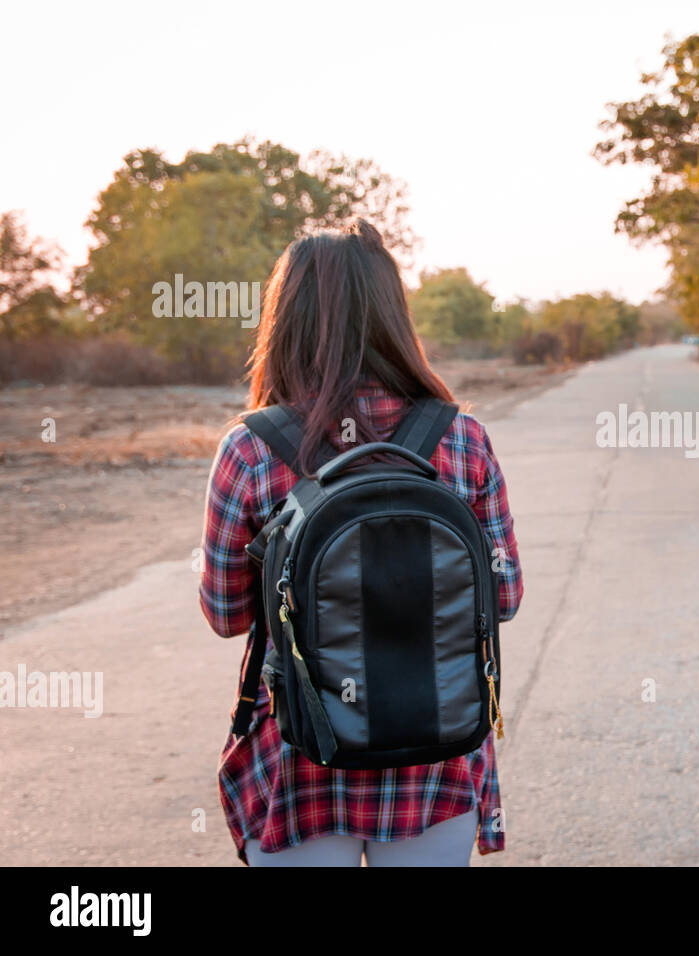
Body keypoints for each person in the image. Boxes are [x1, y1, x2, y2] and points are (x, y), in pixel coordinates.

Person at [198, 219, 522, 866]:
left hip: (302, 756)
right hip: (438, 754)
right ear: (394, 315)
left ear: (284, 321)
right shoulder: (463, 440)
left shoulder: (252, 449)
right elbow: (504, 599)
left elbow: (228, 618)